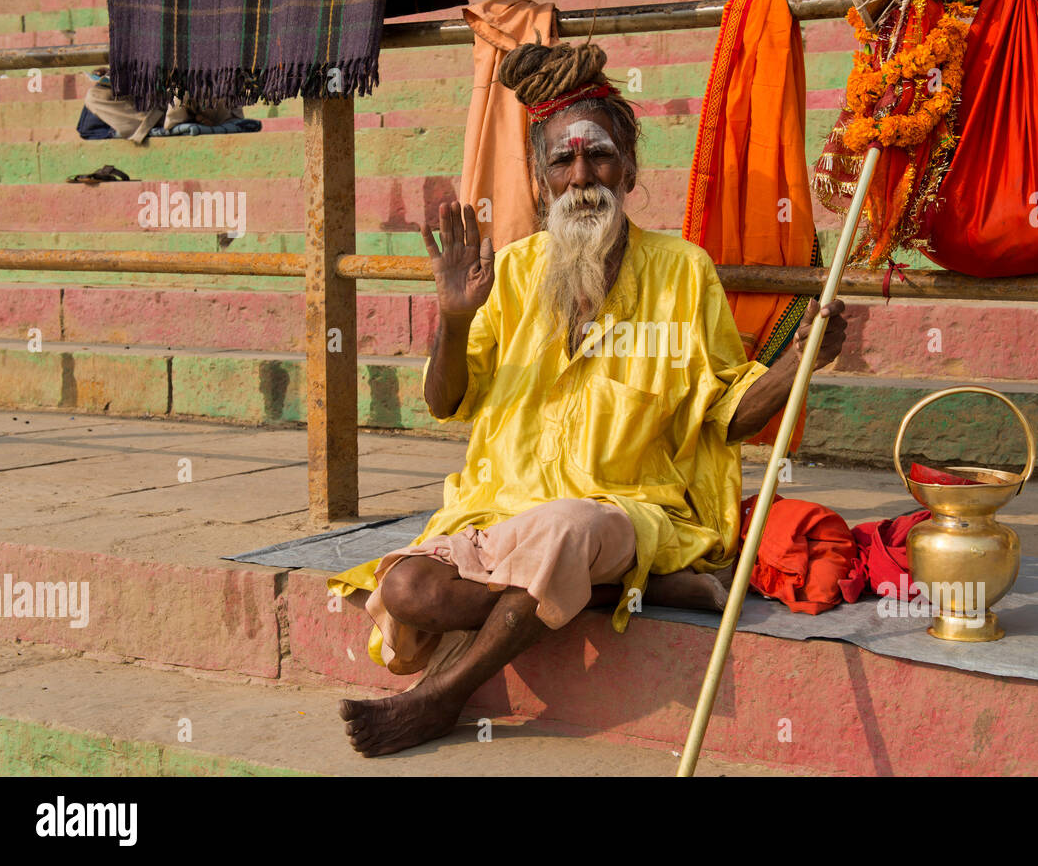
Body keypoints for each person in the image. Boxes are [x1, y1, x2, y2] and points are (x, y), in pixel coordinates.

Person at [331, 40, 847, 757]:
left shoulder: (682, 271)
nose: (583, 177)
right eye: (562, 161)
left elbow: (730, 414)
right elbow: (447, 402)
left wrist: (801, 363)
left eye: (598, 156)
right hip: (503, 507)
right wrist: (452, 318)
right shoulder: (507, 273)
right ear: (542, 182)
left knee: (569, 530)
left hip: (625, 508)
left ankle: (441, 699)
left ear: (629, 168)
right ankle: (625, 592)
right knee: (410, 591)